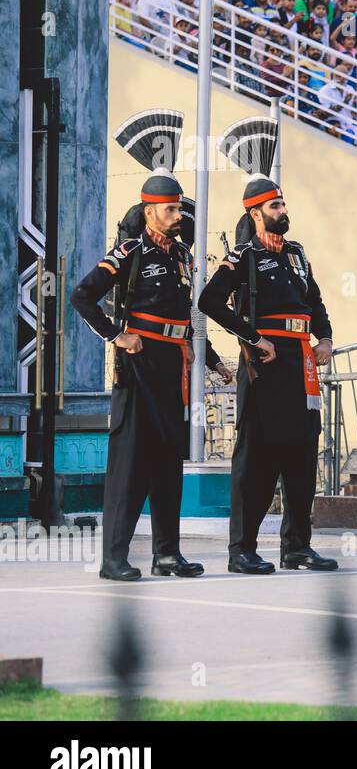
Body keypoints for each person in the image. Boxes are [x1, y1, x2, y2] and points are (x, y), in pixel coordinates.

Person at [72, 162, 230, 581]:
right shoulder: (129, 252)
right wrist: (115, 335)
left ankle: (167, 554)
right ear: (149, 211)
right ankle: (114, 558)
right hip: (138, 366)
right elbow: (82, 296)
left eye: (180, 209)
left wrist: (212, 359)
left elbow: (184, 314)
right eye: (171, 210)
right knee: (129, 465)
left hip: (172, 367)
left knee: (167, 464)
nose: (179, 217)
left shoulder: (181, 255)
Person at [198, 152, 337, 574]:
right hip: (264, 367)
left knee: (301, 455)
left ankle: (297, 545)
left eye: (283, 203)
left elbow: (315, 301)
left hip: (301, 367)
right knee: (256, 459)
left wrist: (326, 337)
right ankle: (242, 549)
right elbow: (207, 302)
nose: (283, 210)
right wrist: (253, 338)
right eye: (275, 205)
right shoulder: (243, 257)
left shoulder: (297, 254)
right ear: (255, 212)